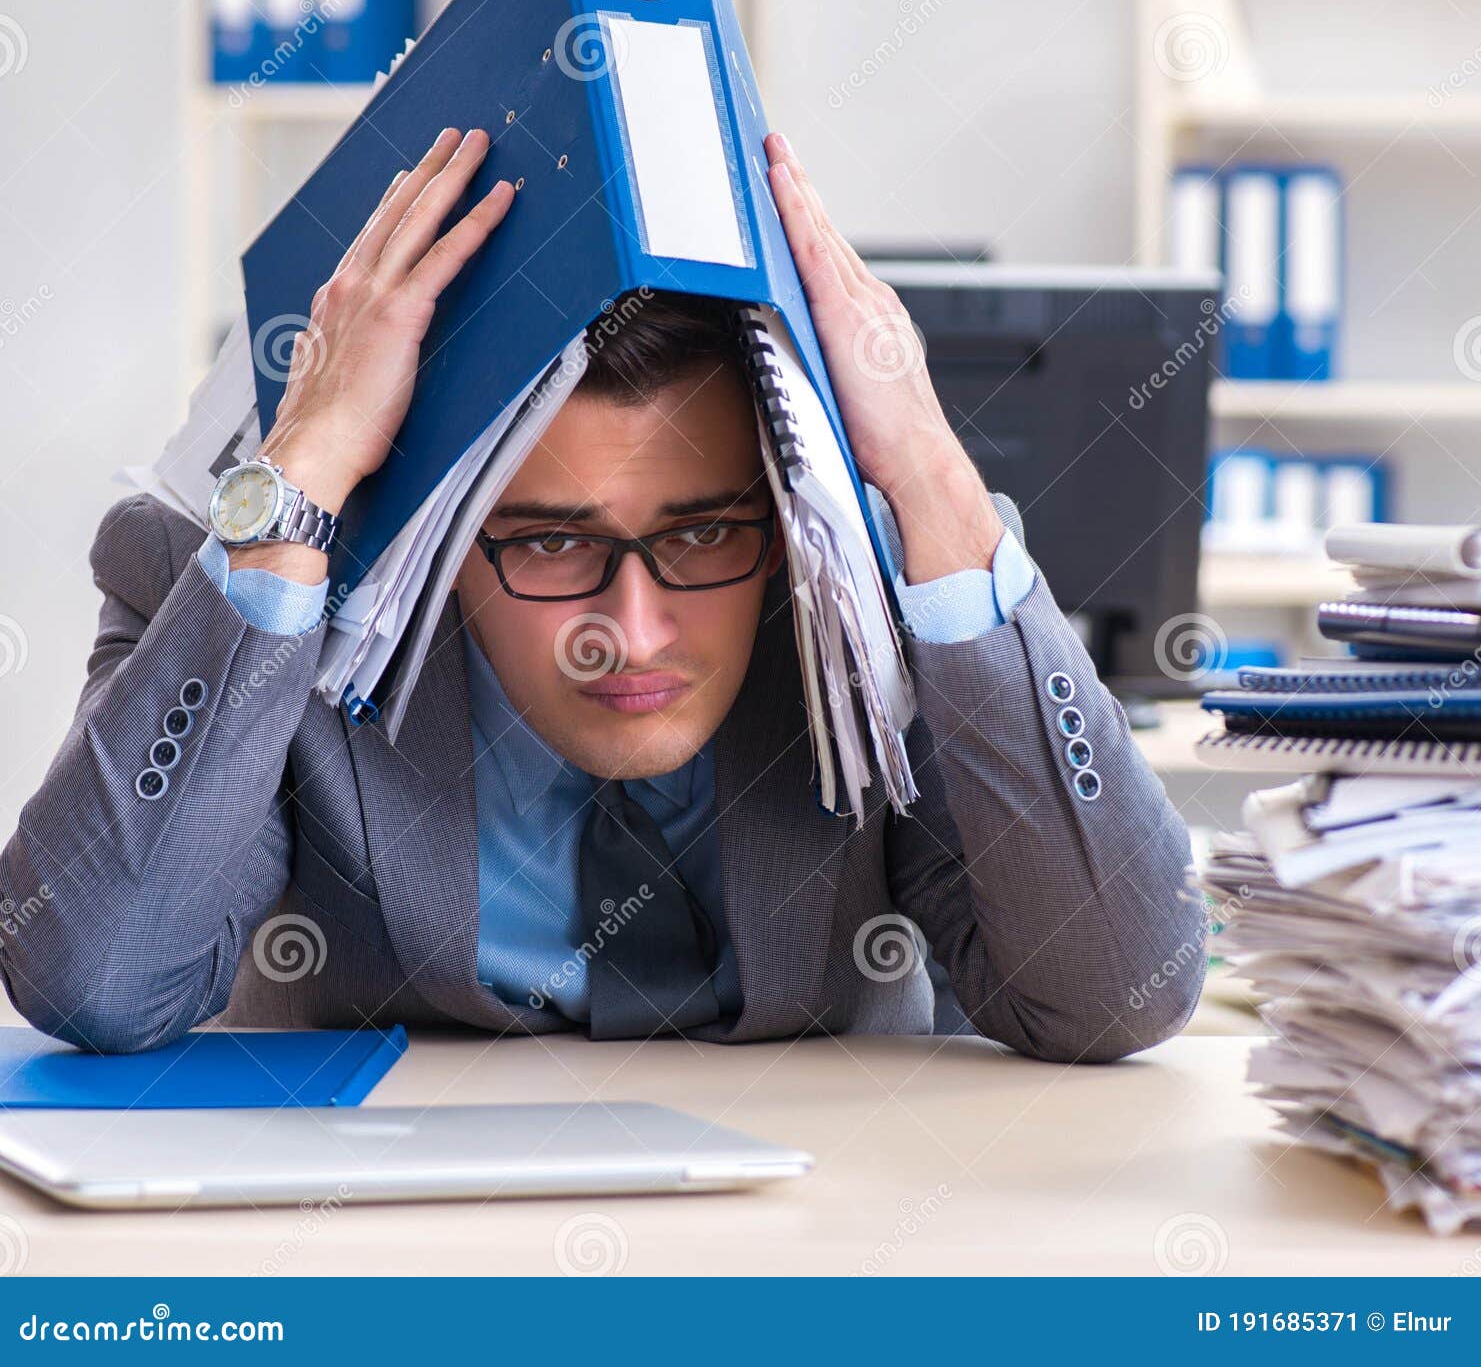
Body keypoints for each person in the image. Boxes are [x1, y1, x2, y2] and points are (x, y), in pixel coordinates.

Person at [0, 127, 1204, 1056]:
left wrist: (934, 476)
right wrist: (301, 476)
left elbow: (1115, 993)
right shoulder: (261, 588)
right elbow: (96, 981)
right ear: (435, 532)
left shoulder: (876, 588)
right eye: (550, 546)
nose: (631, 633)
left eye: (703, 532)